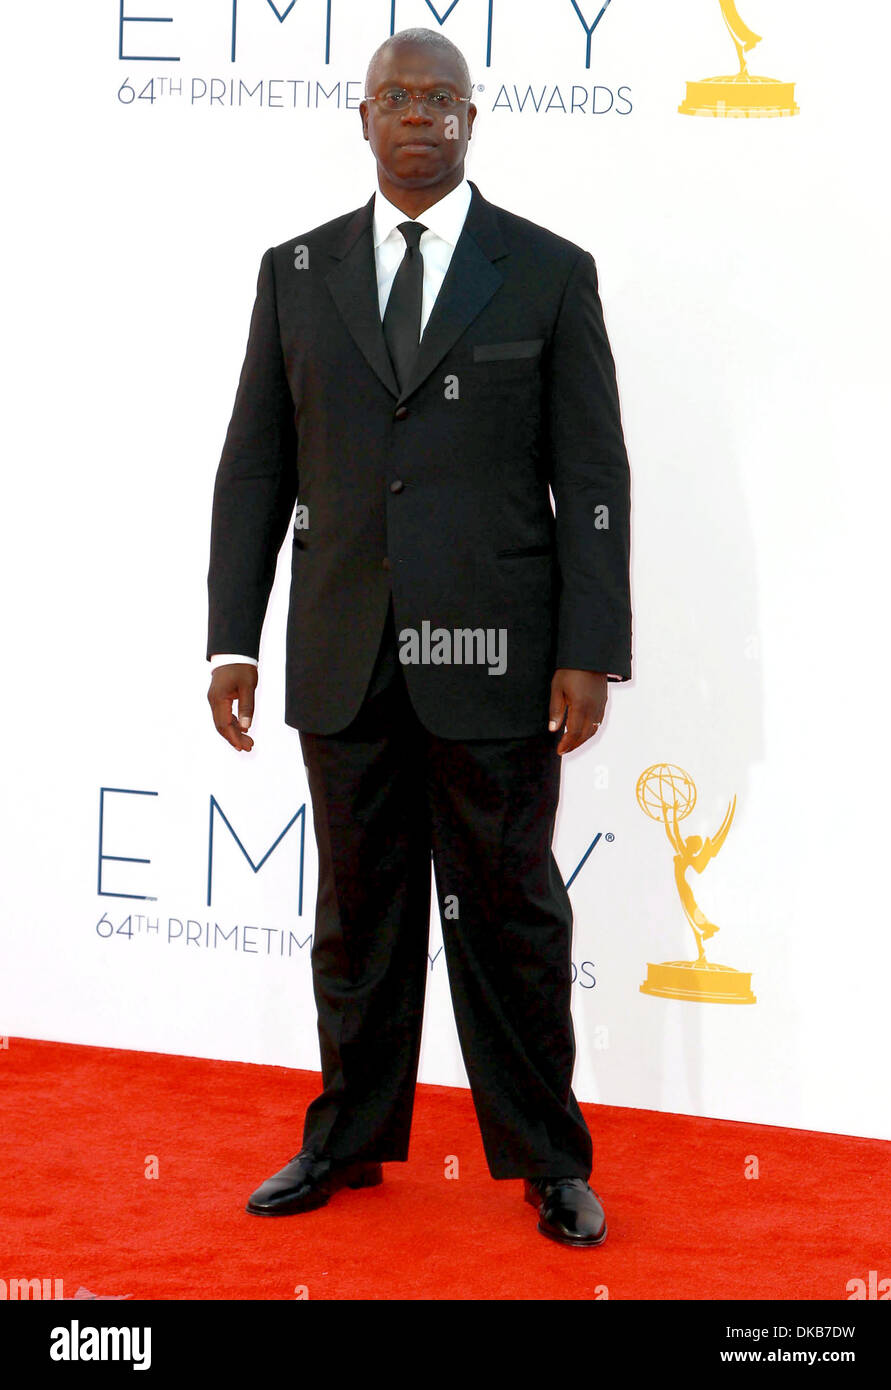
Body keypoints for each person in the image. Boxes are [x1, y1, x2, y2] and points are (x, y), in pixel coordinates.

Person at [206, 26, 632, 1248]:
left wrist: (587, 645)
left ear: (471, 119)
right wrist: (231, 639)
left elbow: (590, 474)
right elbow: (255, 466)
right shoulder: (294, 272)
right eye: (396, 97)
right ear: (360, 116)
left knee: (510, 911)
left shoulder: (547, 272)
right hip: (343, 649)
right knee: (357, 912)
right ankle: (343, 1139)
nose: (418, 117)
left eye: (440, 99)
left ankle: (548, 1158)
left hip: (496, 658)